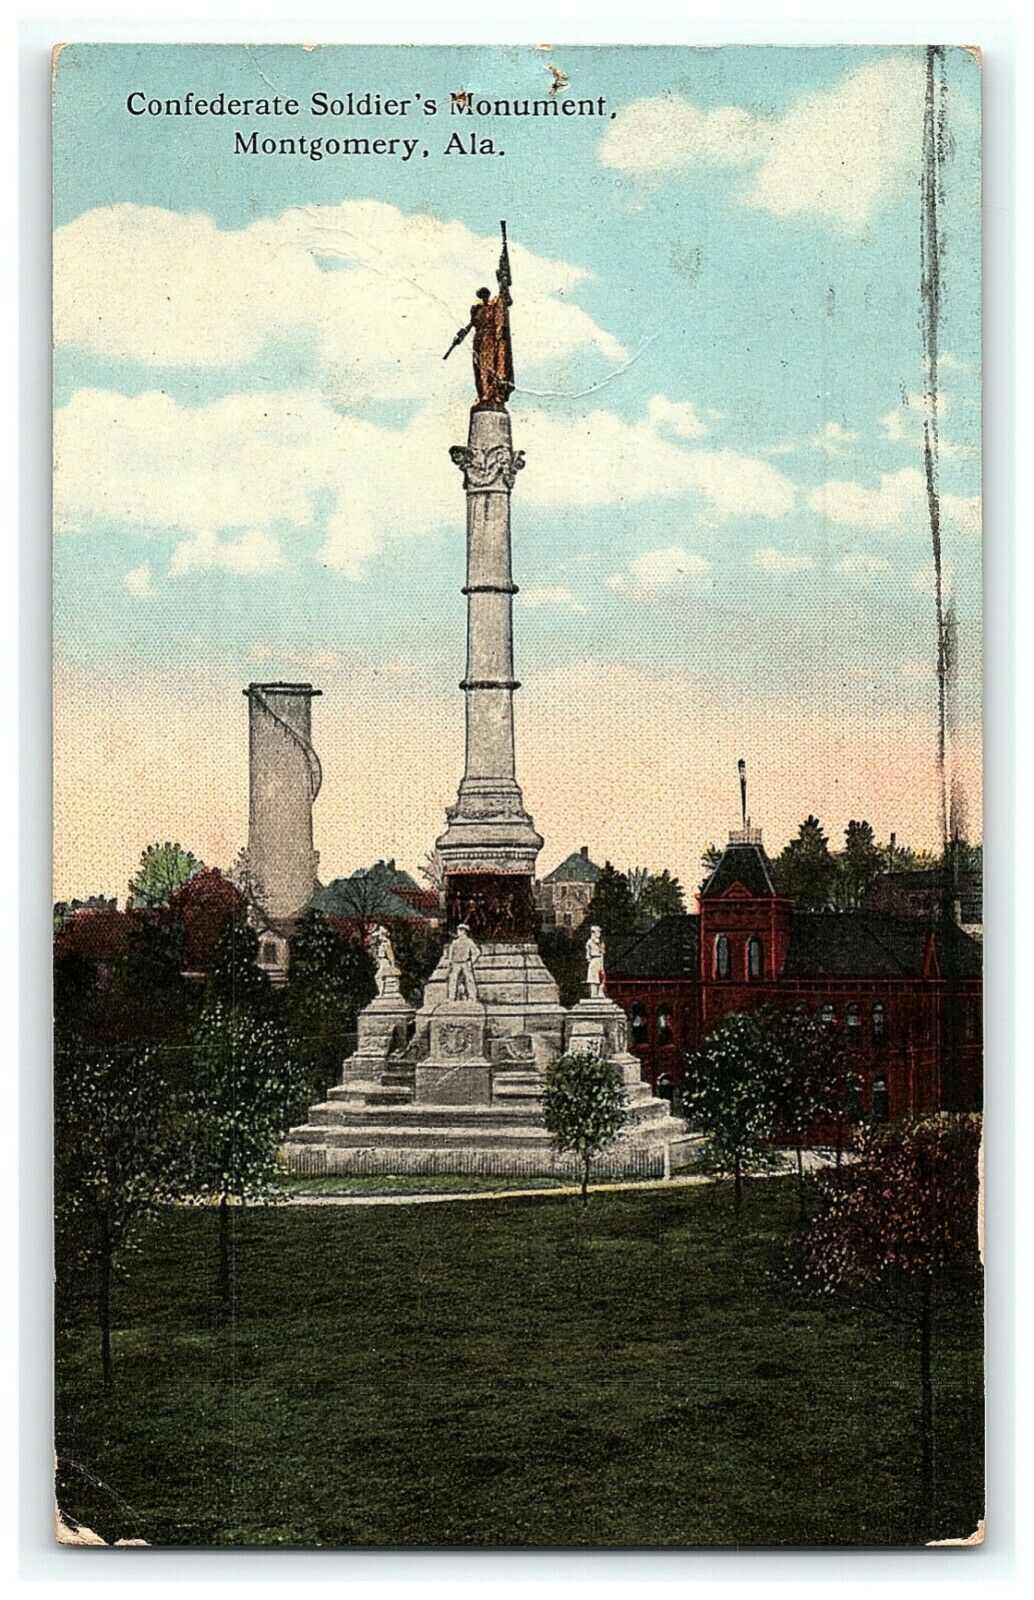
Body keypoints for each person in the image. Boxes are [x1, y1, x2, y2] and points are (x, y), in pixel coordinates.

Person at [446, 923, 481, 1002]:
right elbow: (451, 953)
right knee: (453, 980)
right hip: (456, 963)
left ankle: (472, 997)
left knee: (469, 979)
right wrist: (450, 962)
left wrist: (472, 961)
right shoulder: (454, 942)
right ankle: (452, 997)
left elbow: (477, 952)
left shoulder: (469, 941)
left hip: (465, 962)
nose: (459, 932)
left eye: (461, 930)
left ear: (464, 931)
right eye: (459, 930)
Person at [585, 925, 605, 998]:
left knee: (600, 976)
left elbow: (602, 953)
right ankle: (594, 994)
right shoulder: (590, 942)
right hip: (594, 960)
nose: (599, 933)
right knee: (593, 977)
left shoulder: (601, 943)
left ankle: (600, 992)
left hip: (599, 960)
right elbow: (588, 954)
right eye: (597, 931)